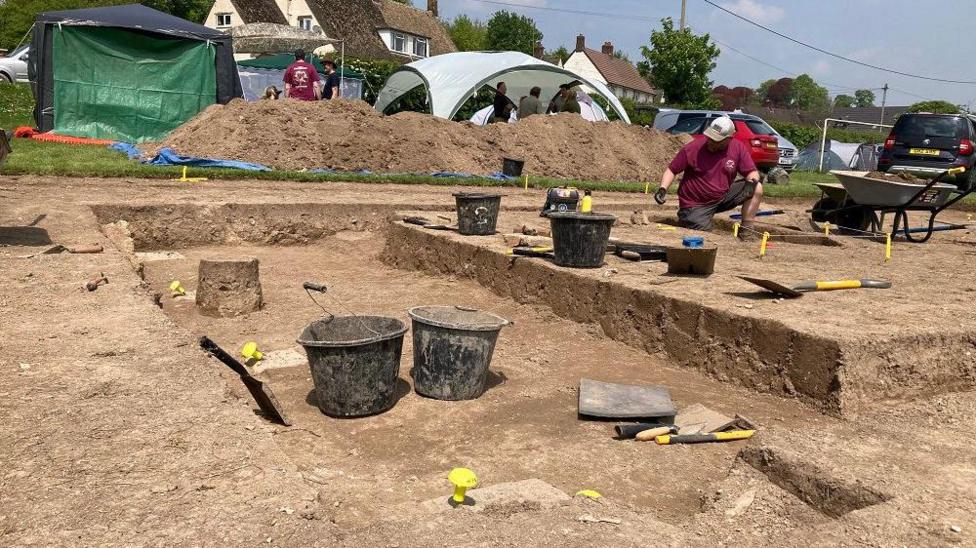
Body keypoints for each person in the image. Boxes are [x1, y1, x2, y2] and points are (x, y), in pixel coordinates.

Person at [654, 116, 763, 231]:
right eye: (710, 137)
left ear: (729, 138)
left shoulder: (738, 148)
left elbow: (752, 172)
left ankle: (746, 230)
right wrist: (663, 189)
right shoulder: (693, 148)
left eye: (717, 140)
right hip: (695, 205)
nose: (711, 142)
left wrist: (751, 183)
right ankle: (689, 219)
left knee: (757, 187)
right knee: (702, 236)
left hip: (722, 197)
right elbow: (672, 170)